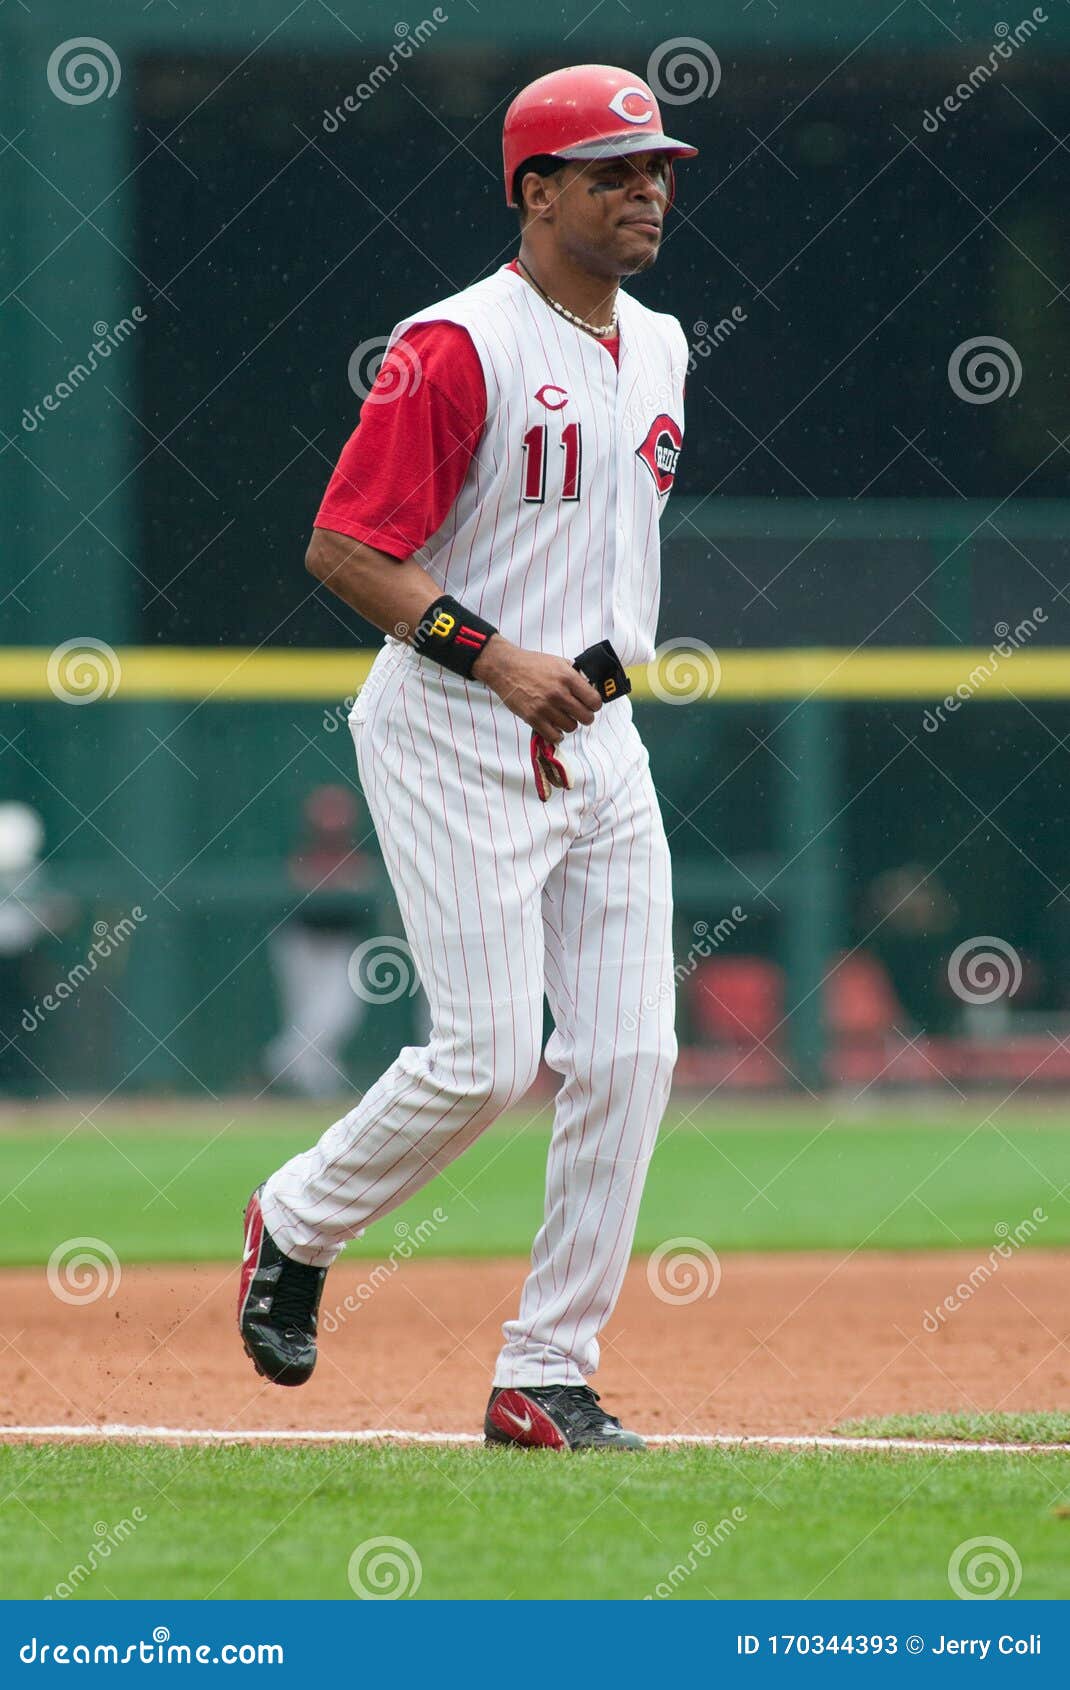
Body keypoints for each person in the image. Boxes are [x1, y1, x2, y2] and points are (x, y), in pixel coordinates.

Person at [238, 64, 696, 1451]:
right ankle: (298, 1217)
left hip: (598, 737)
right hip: (457, 725)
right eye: (611, 169)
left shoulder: (665, 342)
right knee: (492, 1058)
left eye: (657, 168)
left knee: (631, 1054)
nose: (645, 190)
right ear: (533, 189)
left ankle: (543, 1373)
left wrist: (572, 673)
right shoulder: (455, 347)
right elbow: (344, 547)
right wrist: (493, 654)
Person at [262, 785, 373, 1098]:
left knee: (338, 1014)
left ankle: (279, 1063)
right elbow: (292, 880)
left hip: (342, 945)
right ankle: (321, 1086)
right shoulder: (297, 843)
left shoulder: (363, 844)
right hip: (301, 943)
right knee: (307, 1016)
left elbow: (366, 880)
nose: (332, 823)